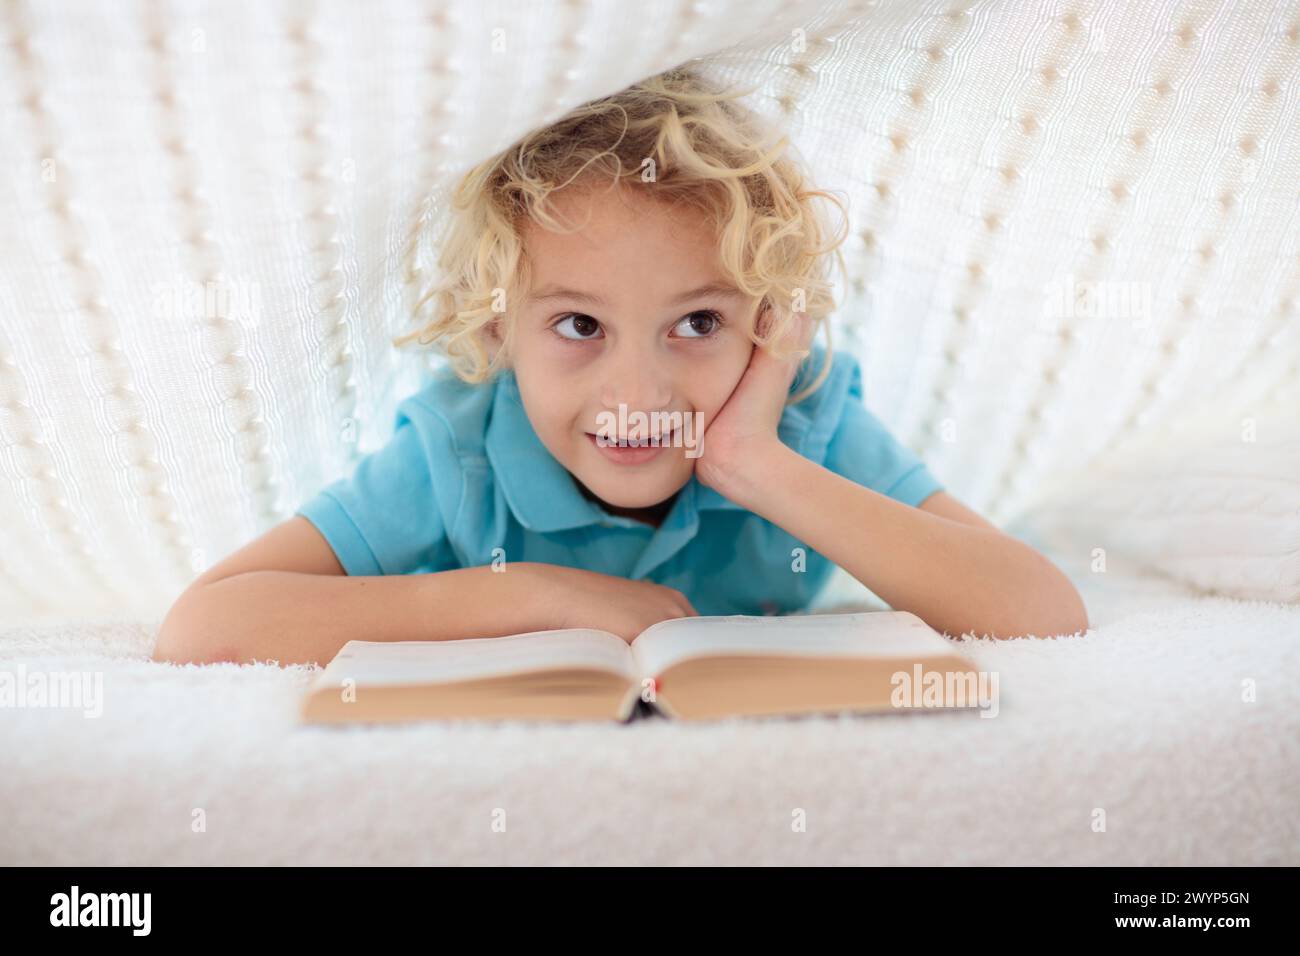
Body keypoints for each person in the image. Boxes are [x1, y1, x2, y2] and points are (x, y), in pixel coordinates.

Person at [152, 66, 1087, 667]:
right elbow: (205, 625)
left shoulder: (802, 421)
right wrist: (535, 594)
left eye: (697, 323)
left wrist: (757, 469)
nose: (637, 397)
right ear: (494, 333)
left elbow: (1041, 611)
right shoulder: (461, 449)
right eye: (578, 326)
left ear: (767, 329)